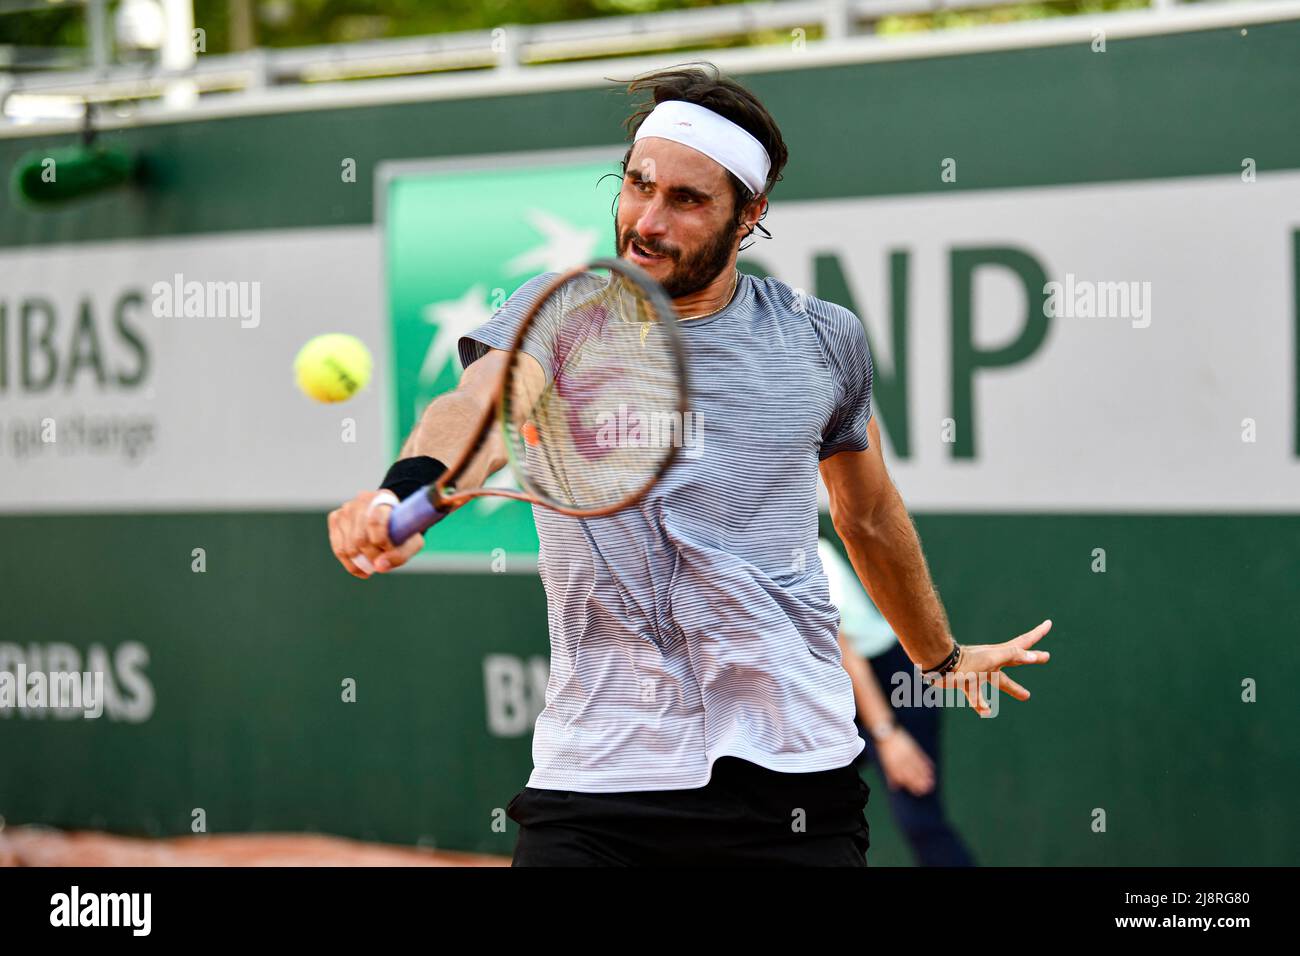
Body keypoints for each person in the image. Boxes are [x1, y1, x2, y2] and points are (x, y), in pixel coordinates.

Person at [327, 63, 1051, 866]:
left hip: (793, 778)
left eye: (686, 200)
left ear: (750, 215)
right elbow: (476, 409)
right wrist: (403, 488)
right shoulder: (560, 312)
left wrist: (939, 655)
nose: (646, 220)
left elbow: (869, 517)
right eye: (637, 185)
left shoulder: (823, 339)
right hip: (598, 780)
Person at [819, 537, 976, 866]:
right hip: (838, 697)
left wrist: (888, 734)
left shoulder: (807, 554)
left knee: (920, 819)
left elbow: (846, 652)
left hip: (893, 686)